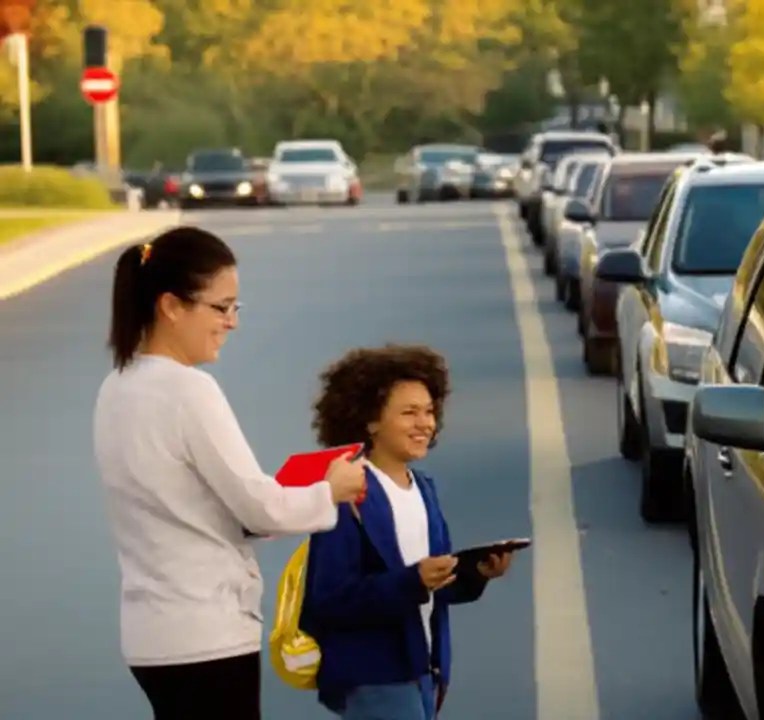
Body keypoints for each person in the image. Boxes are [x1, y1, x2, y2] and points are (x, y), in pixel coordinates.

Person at [93, 226, 369, 720]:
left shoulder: (116, 386)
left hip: (151, 634)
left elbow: (190, 506)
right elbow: (260, 507)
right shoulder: (188, 390)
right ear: (171, 305)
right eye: (221, 307)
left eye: (235, 307)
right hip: (206, 633)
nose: (232, 322)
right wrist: (330, 489)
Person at [300, 344, 515, 720]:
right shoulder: (347, 494)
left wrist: (473, 574)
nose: (425, 423)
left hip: (425, 670)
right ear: (370, 421)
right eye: (409, 412)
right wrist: (412, 581)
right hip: (375, 677)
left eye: (429, 411)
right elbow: (329, 601)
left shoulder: (424, 488)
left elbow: (431, 588)